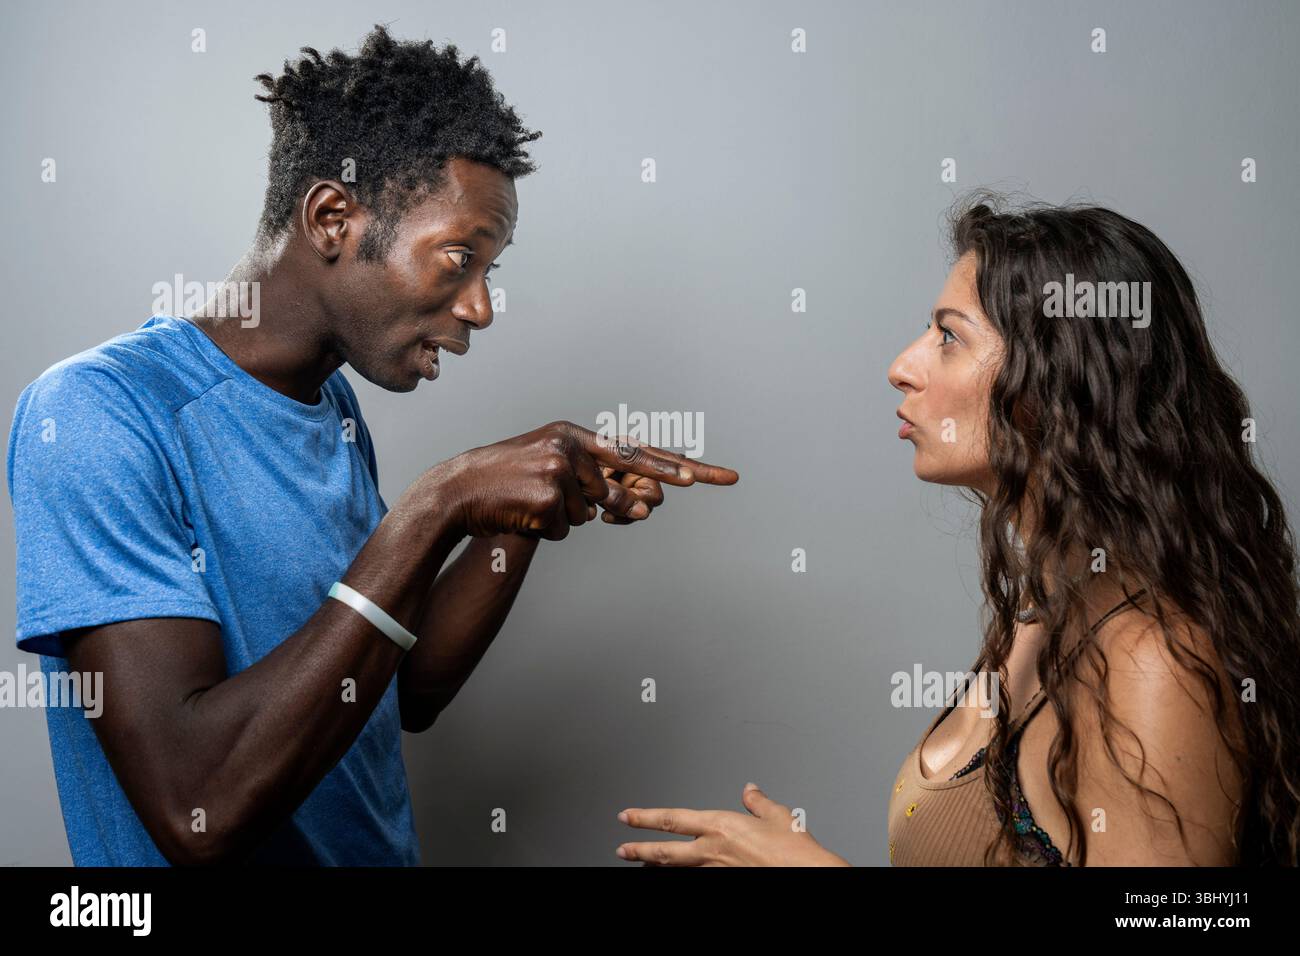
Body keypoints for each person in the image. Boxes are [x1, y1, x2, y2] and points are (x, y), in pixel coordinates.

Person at [7, 25, 738, 866]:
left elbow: (398, 688)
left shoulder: (332, 409)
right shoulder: (101, 411)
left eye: (490, 271)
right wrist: (437, 505)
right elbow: (197, 805)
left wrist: (512, 519)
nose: (481, 309)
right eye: (459, 259)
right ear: (333, 217)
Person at [615, 195, 1300, 866]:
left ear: (1057, 383)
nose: (902, 366)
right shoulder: (1042, 614)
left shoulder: (1152, 663)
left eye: (949, 337)